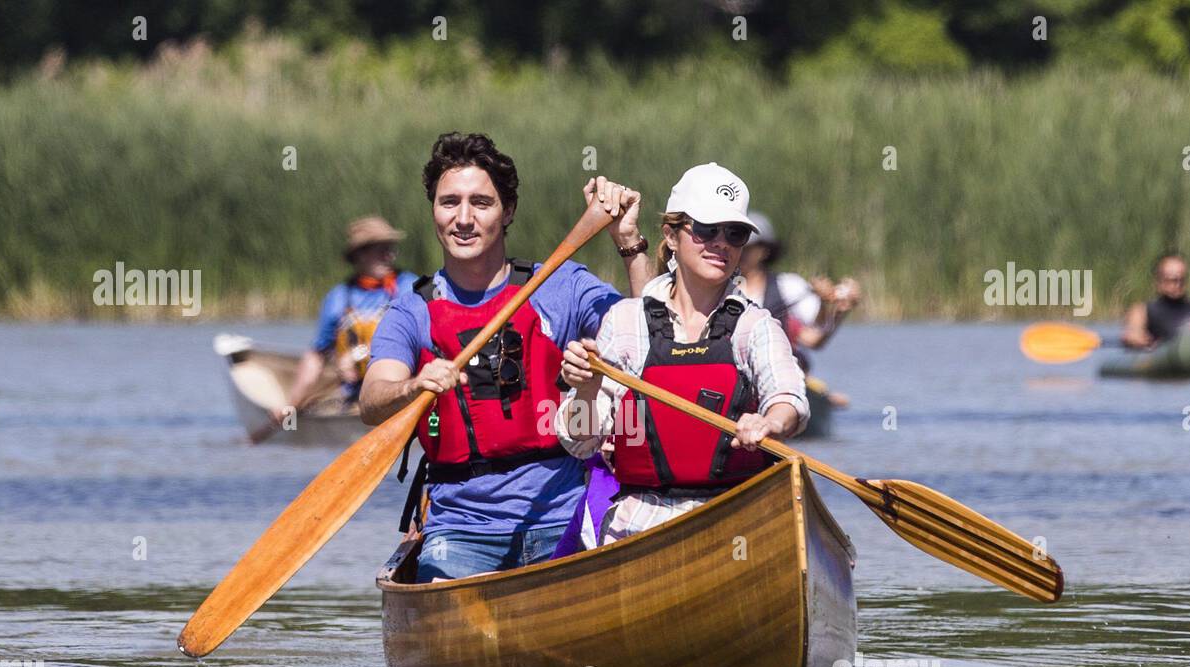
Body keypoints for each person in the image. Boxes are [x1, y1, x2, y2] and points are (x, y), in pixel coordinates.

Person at [359, 132, 653, 580]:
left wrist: (629, 243)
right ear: (433, 211)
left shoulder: (561, 286)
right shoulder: (412, 310)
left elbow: (651, 340)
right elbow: (371, 400)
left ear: (508, 210)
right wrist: (413, 386)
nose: (463, 219)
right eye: (449, 202)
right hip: (458, 530)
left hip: (563, 517)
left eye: (481, 202)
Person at [557, 163, 809, 546]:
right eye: (706, 230)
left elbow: (790, 399)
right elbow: (579, 441)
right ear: (671, 236)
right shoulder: (626, 322)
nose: (721, 243)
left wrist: (770, 423)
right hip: (638, 527)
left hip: (737, 523)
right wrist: (588, 391)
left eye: (735, 233)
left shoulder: (755, 326)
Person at [273, 216, 419, 422]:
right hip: (354, 395)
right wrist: (290, 407)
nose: (389, 255)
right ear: (359, 255)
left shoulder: (410, 287)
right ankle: (291, 421)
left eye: (391, 248)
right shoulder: (338, 298)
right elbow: (316, 356)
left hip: (404, 391)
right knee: (294, 418)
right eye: (381, 249)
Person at [739, 211, 859, 371]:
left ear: (764, 250)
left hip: (776, 373)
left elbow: (814, 336)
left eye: (748, 247)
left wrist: (835, 311)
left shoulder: (788, 286)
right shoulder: (719, 287)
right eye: (737, 244)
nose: (741, 253)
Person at [1121, 253, 1190, 349]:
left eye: (1182, 279)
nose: (1178, 284)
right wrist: (1139, 339)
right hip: (1163, 356)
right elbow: (1132, 334)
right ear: (1159, 281)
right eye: (1173, 280)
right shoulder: (1142, 310)